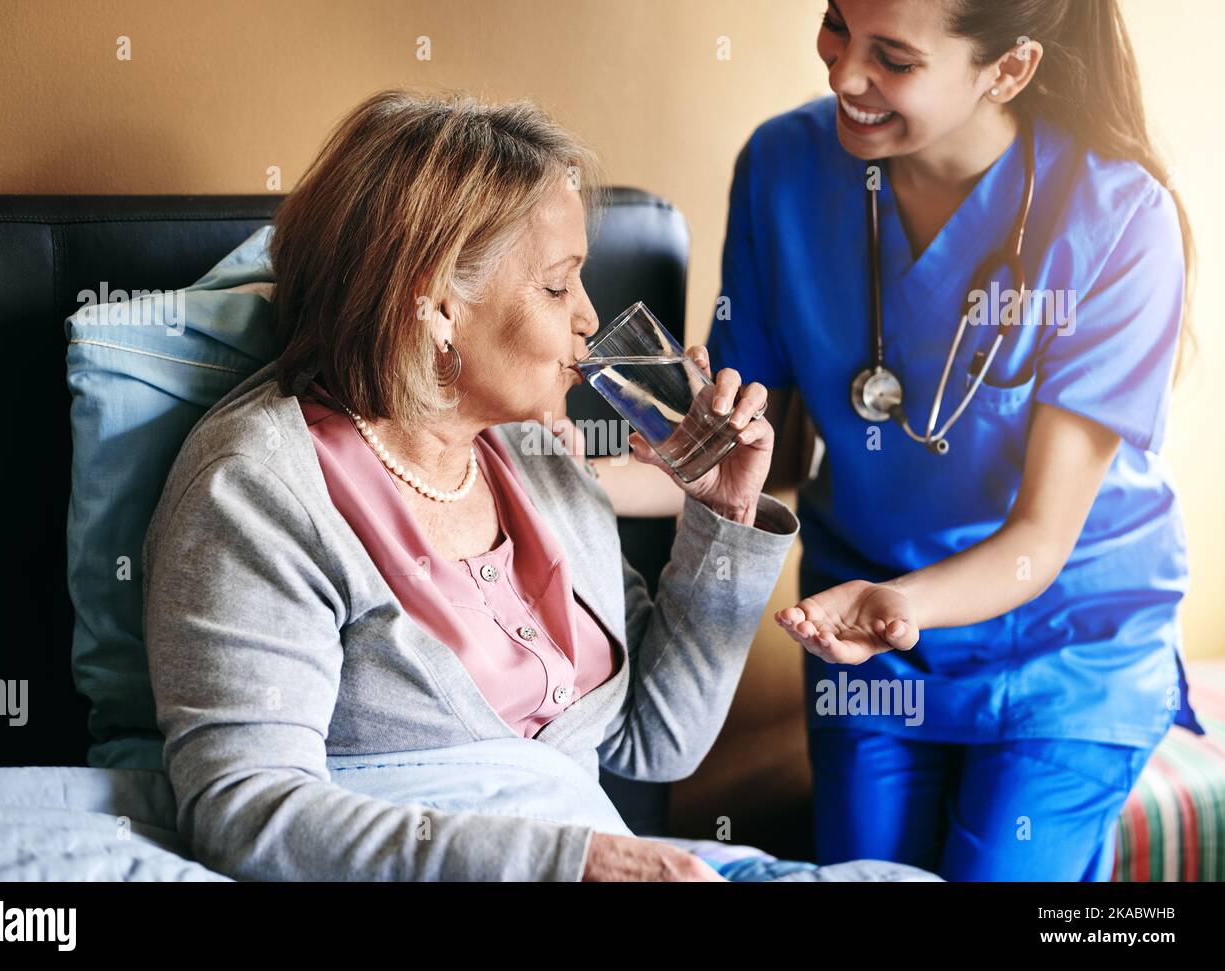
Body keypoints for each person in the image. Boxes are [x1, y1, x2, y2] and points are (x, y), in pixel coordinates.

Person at [142, 88, 940, 882]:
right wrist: (569, 862)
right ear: (438, 305)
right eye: (559, 287)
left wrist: (719, 516)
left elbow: (655, 740)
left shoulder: (533, 457)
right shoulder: (259, 489)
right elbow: (247, 809)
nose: (591, 319)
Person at [588, 0, 1205, 881]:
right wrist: (542, 472)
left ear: (1009, 69)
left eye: (893, 57)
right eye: (837, 23)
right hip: (866, 634)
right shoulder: (784, 169)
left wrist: (899, 605)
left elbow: (1040, 539)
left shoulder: (1116, 218)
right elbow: (750, 456)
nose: (842, 74)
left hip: (1065, 640)